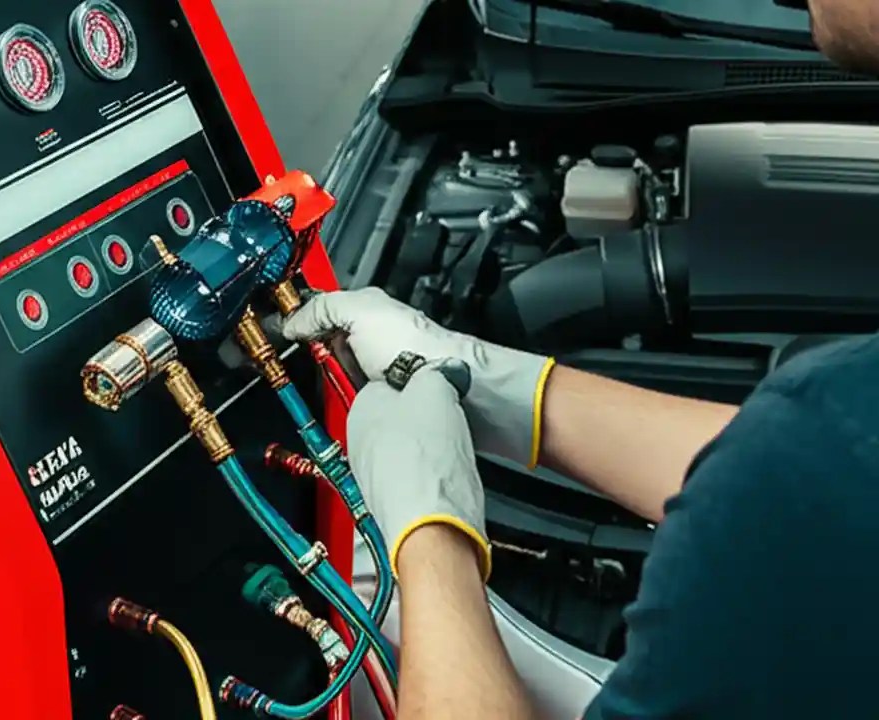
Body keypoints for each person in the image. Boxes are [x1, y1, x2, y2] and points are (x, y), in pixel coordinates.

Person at [281, 5, 879, 716]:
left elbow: (818, 476)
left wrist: (427, 540)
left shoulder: (821, 458)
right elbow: (820, 471)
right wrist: (499, 385)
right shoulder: (829, 446)